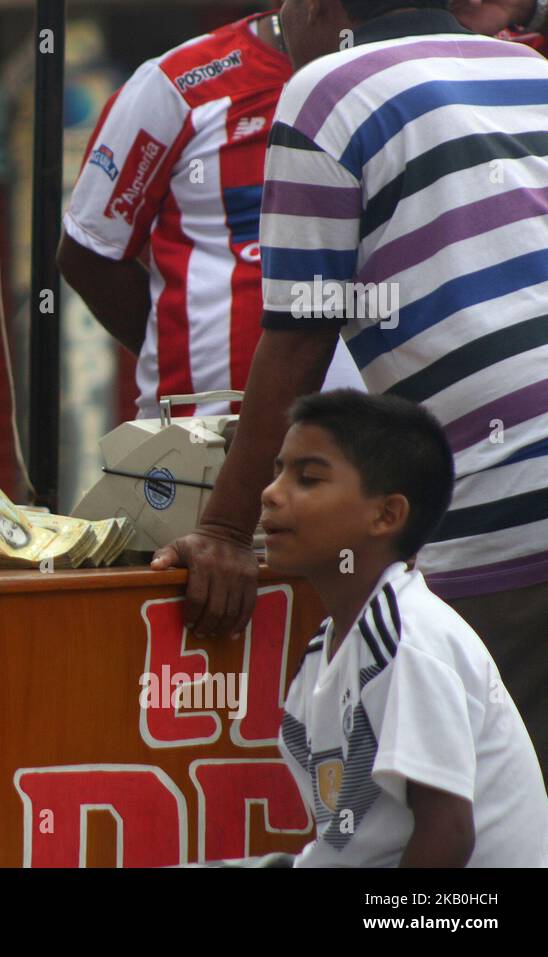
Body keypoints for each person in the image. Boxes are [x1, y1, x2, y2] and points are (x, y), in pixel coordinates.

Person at [150, 0, 548, 773]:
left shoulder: (327, 90)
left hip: (500, 522)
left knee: (478, 816)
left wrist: (227, 531)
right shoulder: (528, 68)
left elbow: (299, 333)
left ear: (323, 8)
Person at [262, 390, 547, 866]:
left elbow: (448, 835)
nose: (272, 493)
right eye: (278, 472)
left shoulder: (408, 640)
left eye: (308, 478)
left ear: (387, 515)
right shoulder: (327, 647)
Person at [59, 7, 364, 421]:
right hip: (204, 428)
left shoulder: (410, 73)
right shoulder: (177, 84)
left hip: (372, 437)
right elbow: (89, 254)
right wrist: (178, 350)